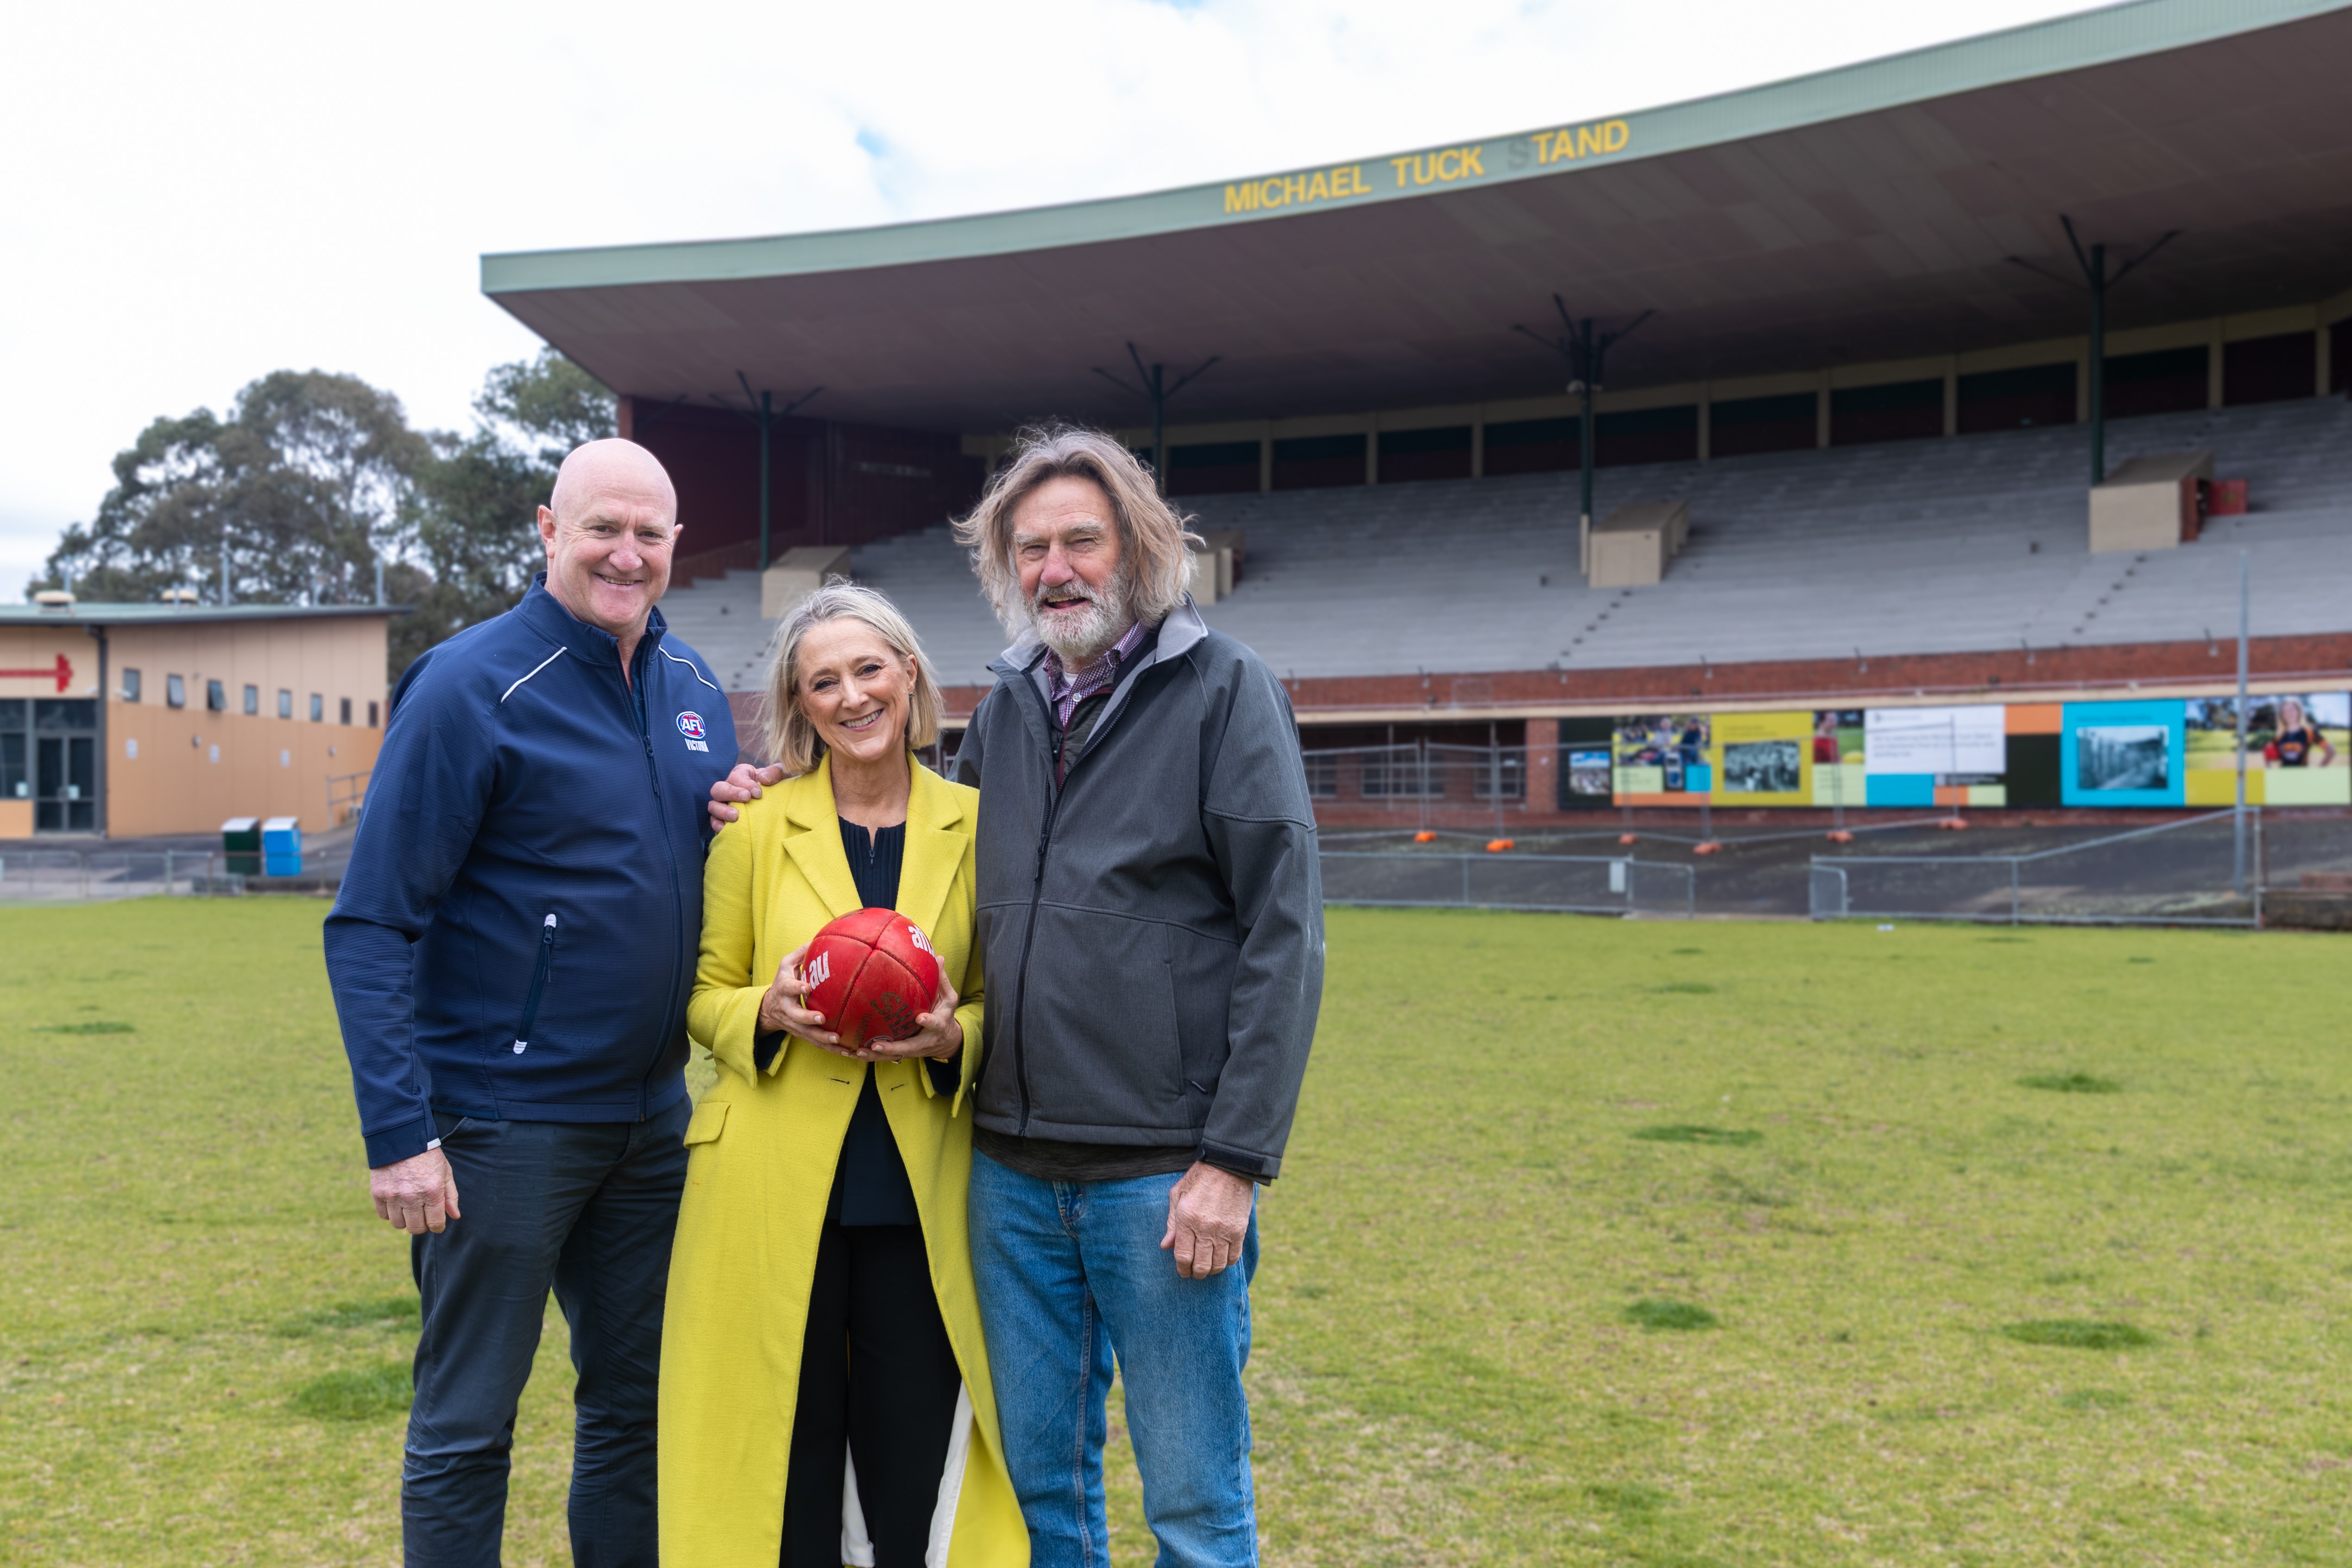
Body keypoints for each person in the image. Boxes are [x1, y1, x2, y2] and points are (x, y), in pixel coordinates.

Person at [713, 424, 1323, 1568]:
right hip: (1008, 1175)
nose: (1057, 569)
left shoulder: (1225, 689)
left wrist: (1233, 1161)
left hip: (1163, 1175)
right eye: (1030, 548)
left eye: (1080, 539)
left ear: (1136, 544)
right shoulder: (1006, 711)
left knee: (1194, 1502)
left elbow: (1285, 936)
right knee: (1040, 1497)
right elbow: (923, 849)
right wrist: (776, 787)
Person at [325, 439, 735, 1568]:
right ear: (549, 528)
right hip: (500, 1124)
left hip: (651, 1120)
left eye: (649, 533)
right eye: (603, 526)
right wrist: (399, 1132)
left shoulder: (696, 688)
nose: (626, 552)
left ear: (674, 545)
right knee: (468, 1426)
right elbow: (370, 922)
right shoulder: (469, 683)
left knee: (636, 1407)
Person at [662, 582, 1026, 1567]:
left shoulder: (987, 824)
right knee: (784, 1453)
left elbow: (1004, 1001)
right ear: (801, 704)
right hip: (769, 1187)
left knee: (913, 1459)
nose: (852, 695)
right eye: (824, 681)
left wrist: (958, 1040)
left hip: (923, 1188)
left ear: (909, 674)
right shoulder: (753, 827)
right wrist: (766, 1011)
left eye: (869, 668)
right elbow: (704, 996)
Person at [2264, 696, 2337, 768]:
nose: (2289, 714)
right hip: (2283, 777)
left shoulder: (2310, 732)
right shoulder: (2280, 735)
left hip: (2302, 778)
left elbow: (2331, 752)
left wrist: (2318, 773)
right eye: (2284, 711)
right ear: (2281, 715)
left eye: (2291, 710)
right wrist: (2270, 770)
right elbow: (2267, 752)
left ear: (2299, 711)